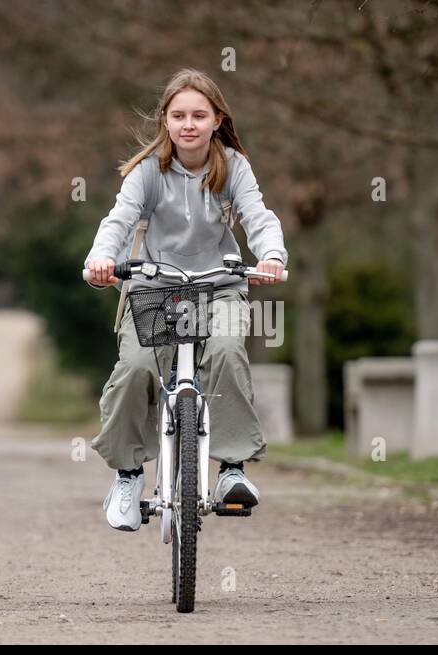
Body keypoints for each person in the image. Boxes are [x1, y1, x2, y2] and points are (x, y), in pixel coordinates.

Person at [83, 68, 288, 532]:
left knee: (228, 352)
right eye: (178, 115)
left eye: (199, 114)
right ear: (165, 121)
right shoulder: (147, 171)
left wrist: (271, 255)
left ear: (218, 119)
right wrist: (100, 260)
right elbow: (118, 220)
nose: (188, 124)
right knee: (135, 368)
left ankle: (231, 470)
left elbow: (258, 215)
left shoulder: (233, 166)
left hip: (218, 286)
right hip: (155, 288)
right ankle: (129, 475)